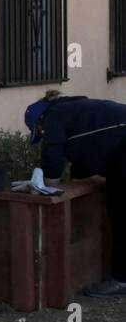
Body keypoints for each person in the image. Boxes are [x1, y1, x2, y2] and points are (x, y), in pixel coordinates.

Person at [25, 90, 126, 297]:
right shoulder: (77, 109)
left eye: (40, 131)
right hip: (120, 150)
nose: (44, 134)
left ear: (41, 119)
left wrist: (47, 190)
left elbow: (52, 160)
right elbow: (87, 154)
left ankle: (121, 280)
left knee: (121, 215)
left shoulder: (56, 116)